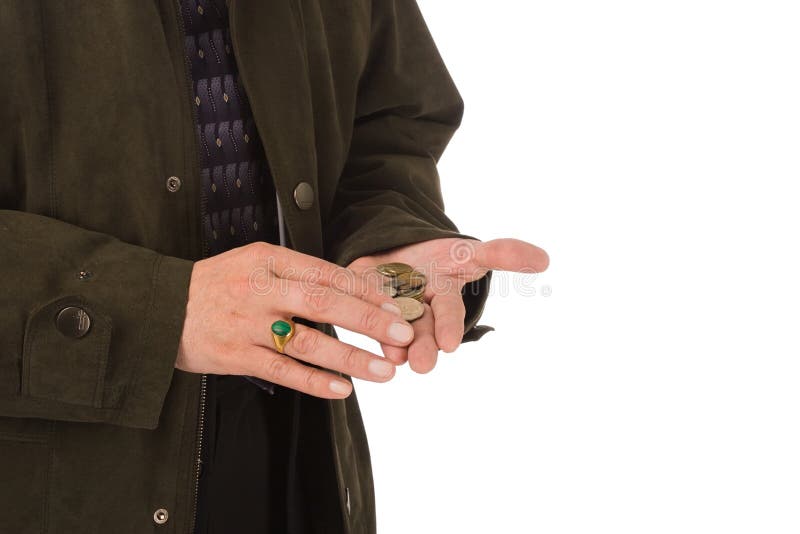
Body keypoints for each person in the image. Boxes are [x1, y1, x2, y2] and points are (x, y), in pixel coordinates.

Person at [0, 1, 549, 533]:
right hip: (51, 476)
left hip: (293, 449)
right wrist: (158, 309)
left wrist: (387, 238)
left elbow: (384, 125)